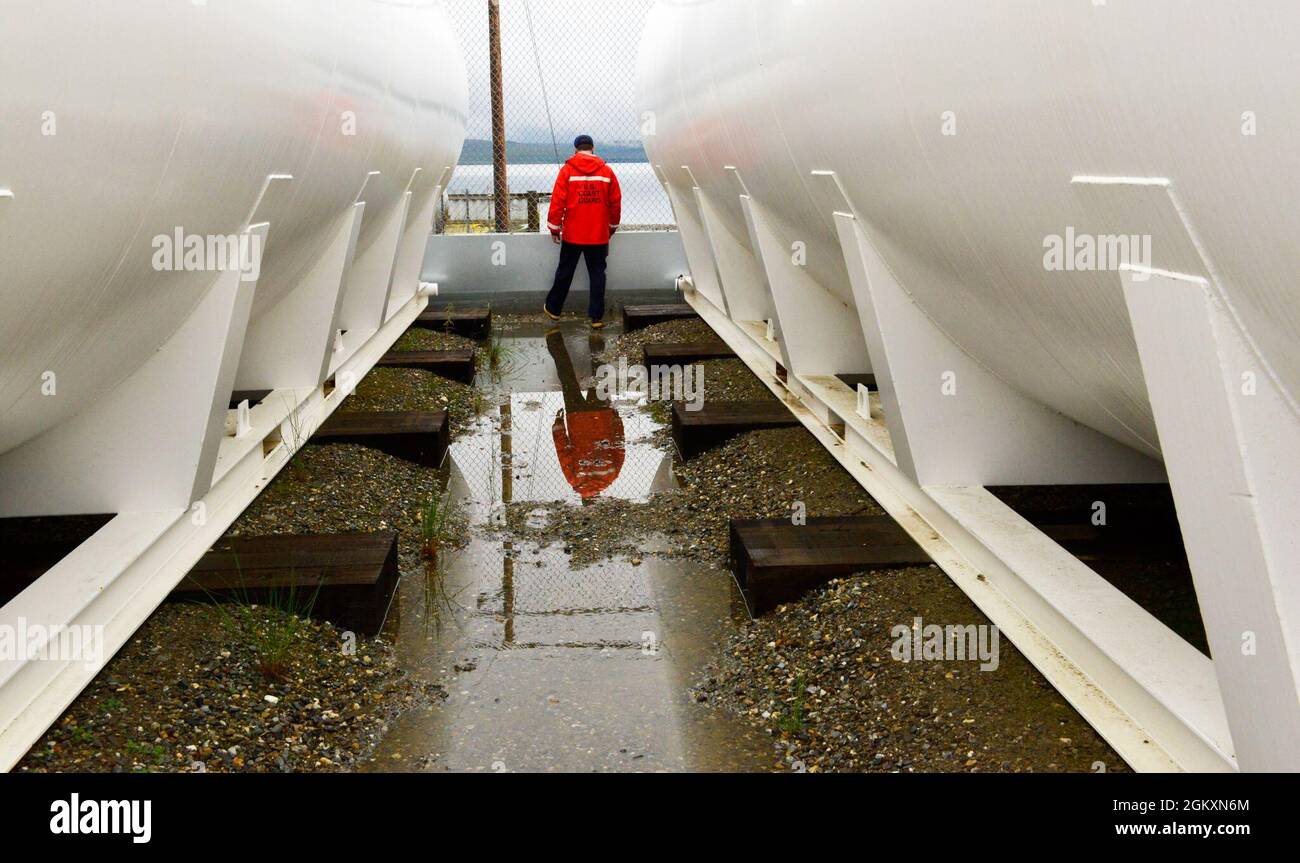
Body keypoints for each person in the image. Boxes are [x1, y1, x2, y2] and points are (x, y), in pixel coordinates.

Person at [543, 135, 622, 329]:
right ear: (593, 148)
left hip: (573, 234)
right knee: (597, 274)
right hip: (598, 234)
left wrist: (554, 227)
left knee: (565, 271)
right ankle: (596, 318)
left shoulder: (567, 170)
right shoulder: (606, 171)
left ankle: (554, 309)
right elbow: (615, 203)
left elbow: (557, 202)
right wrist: (612, 226)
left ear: (576, 149)